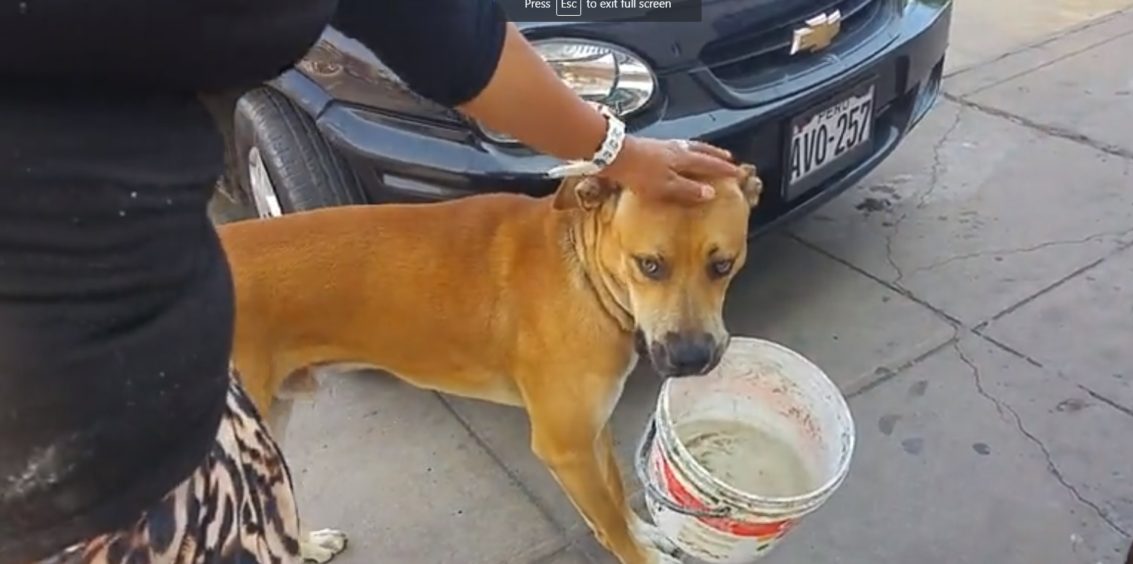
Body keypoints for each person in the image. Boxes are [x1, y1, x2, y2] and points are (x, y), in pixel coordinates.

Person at [0, 0, 740, 562]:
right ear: (591, 207)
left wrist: (619, 150)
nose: (690, 316)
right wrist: (630, 546)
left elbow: (461, 39)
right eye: (651, 267)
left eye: (720, 268)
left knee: (251, 493)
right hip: (81, 403)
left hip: (149, 298)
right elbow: (564, 447)